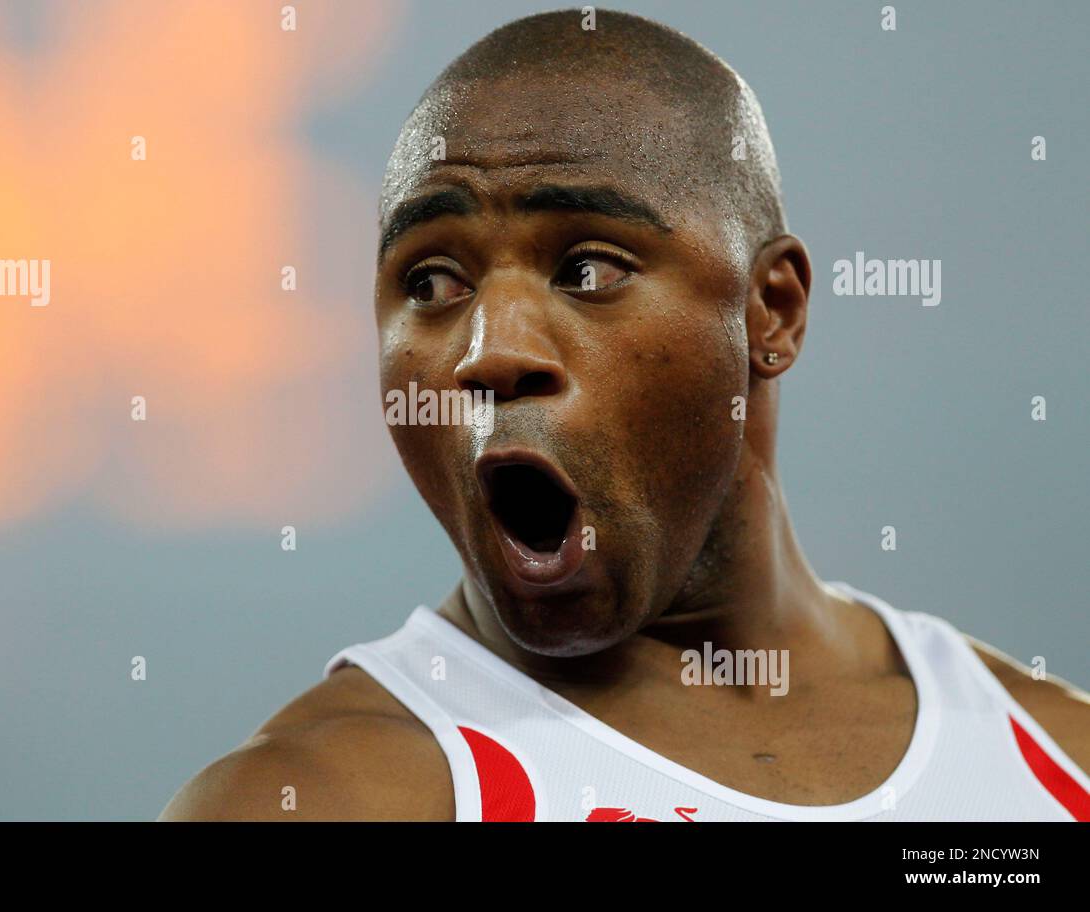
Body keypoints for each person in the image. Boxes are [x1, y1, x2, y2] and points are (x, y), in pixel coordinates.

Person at [161, 8, 1090, 821]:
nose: (492, 351)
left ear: (772, 311)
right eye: (433, 281)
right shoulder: (318, 799)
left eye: (587, 270)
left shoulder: (1054, 758)